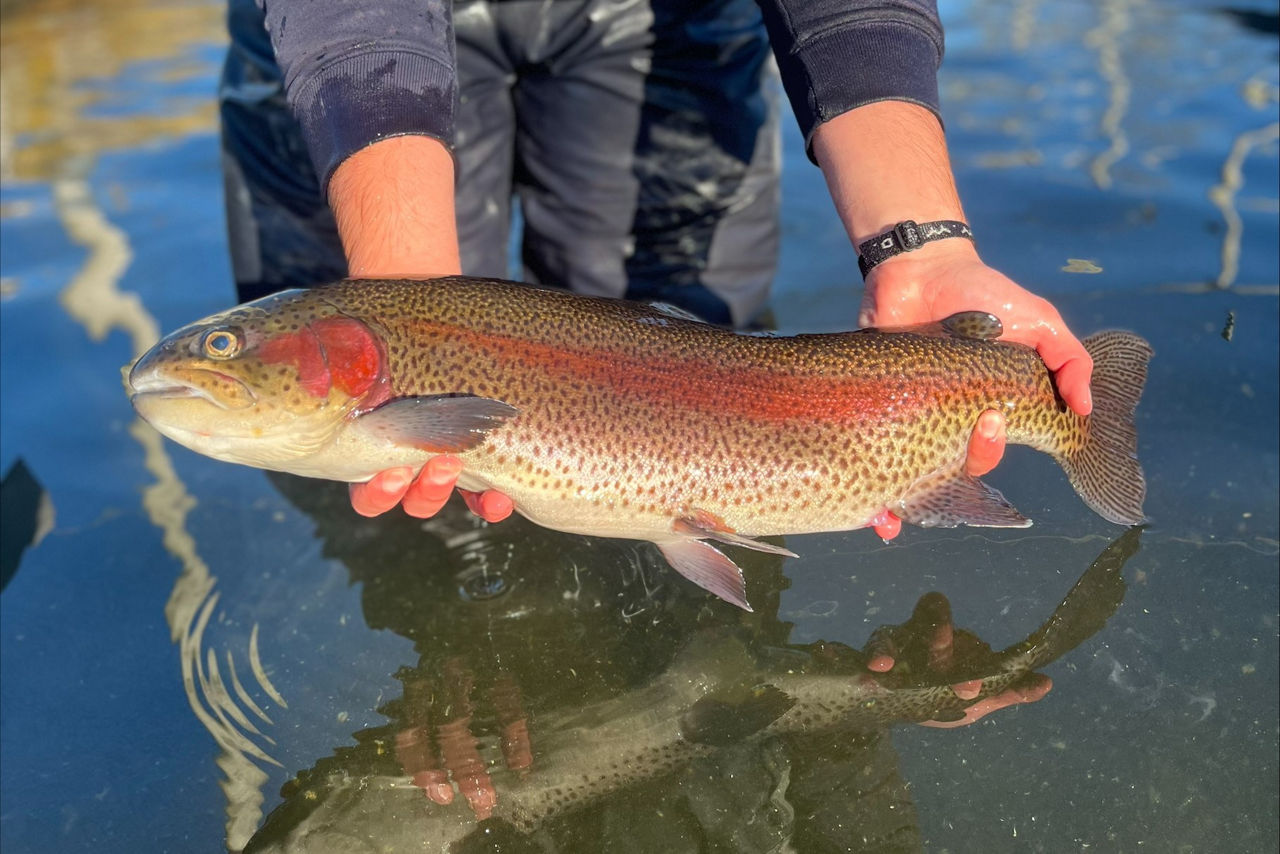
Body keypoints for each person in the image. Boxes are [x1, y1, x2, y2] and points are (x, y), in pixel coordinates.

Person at [219, 0, 1094, 532]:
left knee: (698, 379)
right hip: (346, 39)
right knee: (398, 487)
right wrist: (408, 313)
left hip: (665, 22)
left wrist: (923, 246)